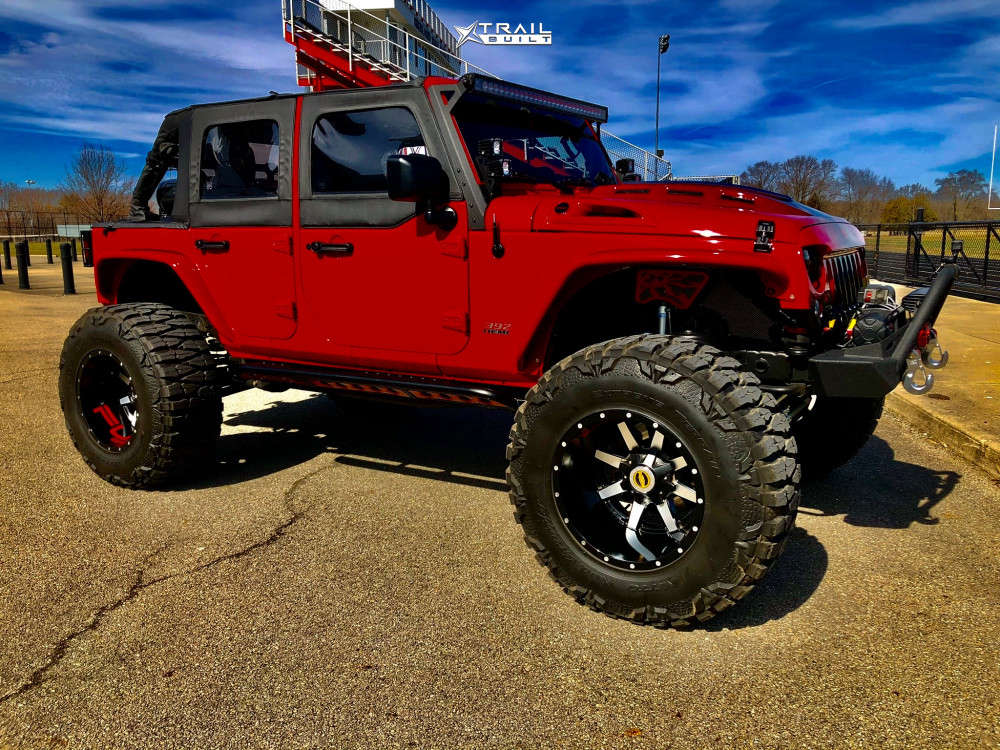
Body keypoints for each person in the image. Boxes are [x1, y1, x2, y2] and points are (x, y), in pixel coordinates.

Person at [128, 113, 180, 221]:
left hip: (182, 124)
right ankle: (137, 207)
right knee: (156, 160)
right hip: (180, 123)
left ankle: (137, 207)